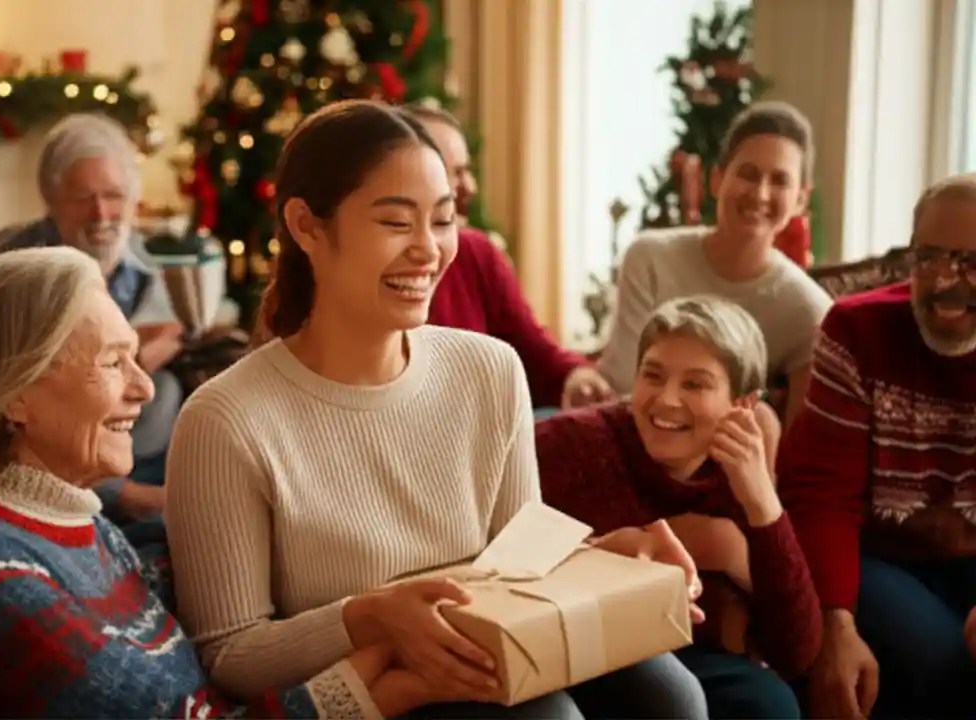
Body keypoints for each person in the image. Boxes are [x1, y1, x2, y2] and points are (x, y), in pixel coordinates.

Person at [165, 100, 706, 719]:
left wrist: (605, 556)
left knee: (671, 693)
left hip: (487, 648)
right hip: (380, 691)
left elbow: (519, 564)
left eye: (443, 220)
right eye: (396, 223)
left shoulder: (490, 369)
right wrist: (368, 616)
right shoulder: (226, 420)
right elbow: (231, 655)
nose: (429, 250)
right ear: (307, 226)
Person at [0, 246, 452, 718]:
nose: (144, 388)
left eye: (134, 357)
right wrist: (383, 666)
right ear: (16, 396)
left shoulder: (75, 525)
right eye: (113, 362)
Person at [538, 295, 822, 718]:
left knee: (769, 704)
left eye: (695, 384)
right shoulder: (571, 444)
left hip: (691, 654)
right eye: (652, 376)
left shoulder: (743, 467)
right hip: (580, 648)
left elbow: (797, 652)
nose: (666, 400)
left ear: (742, 404)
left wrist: (761, 506)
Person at [780, 173, 976, 719]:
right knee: (942, 665)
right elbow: (820, 493)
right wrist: (835, 623)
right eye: (929, 257)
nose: (945, 282)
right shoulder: (856, 331)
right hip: (880, 555)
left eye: (970, 262)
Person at [0, 113, 177, 522]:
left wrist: (169, 337)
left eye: (113, 195)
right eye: (84, 198)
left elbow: (186, 319)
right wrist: (127, 493)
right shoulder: (22, 268)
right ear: (51, 202)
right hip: (57, 458)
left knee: (170, 388)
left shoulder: (139, 259)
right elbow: (2, 397)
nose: (102, 213)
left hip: (132, 443)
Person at [598, 101, 832, 425]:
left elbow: (797, 445)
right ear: (717, 180)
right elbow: (621, 385)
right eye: (748, 174)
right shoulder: (649, 258)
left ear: (800, 200)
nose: (760, 194)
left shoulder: (808, 311)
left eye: (779, 181)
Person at [402, 103, 613, 411]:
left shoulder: (477, 251)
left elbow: (531, 348)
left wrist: (575, 375)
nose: (470, 187)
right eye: (457, 172)